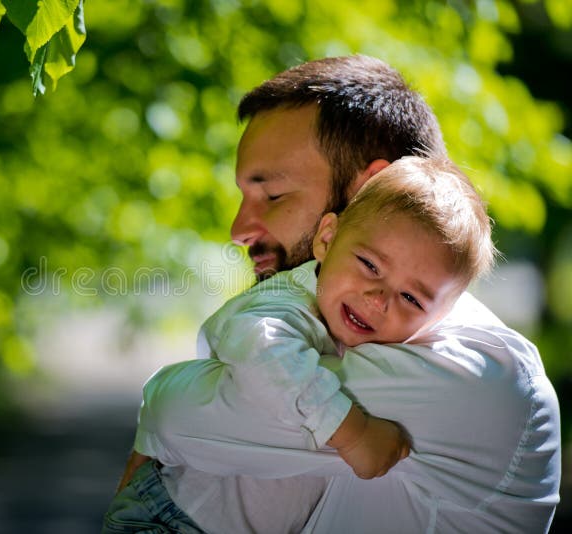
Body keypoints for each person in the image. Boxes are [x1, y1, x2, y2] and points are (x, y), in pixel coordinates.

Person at [111, 55, 561, 533]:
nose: (239, 230)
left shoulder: (476, 371)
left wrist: (161, 395)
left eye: (273, 194)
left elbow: (183, 416)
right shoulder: (370, 325)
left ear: (367, 186)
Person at [103, 155, 497, 533]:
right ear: (327, 238)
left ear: (441, 318)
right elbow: (260, 350)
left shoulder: (402, 349)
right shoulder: (288, 303)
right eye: (369, 265)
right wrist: (353, 432)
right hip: (176, 518)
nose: (378, 299)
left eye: (412, 299)